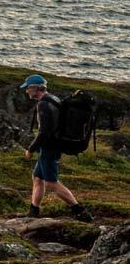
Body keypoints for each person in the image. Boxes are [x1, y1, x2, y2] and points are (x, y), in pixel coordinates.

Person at [21, 74, 92, 221]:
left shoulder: (43, 104)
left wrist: (31, 148)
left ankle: (80, 212)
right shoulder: (53, 98)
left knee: (51, 183)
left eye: (28, 88)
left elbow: (44, 132)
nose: (26, 91)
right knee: (37, 178)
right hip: (53, 145)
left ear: (36, 88)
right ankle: (33, 212)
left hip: (50, 147)